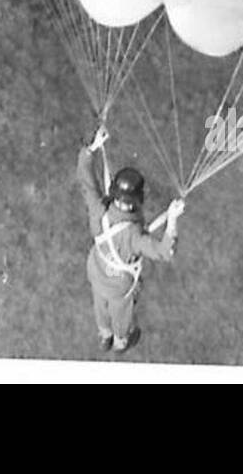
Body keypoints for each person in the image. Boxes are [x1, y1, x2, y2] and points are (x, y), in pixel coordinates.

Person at [77, 126, 184, 354]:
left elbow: (86, 181)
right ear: (138, 200)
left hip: (96, 270)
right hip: (118, 285)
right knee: (121, 312)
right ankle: (120, 340)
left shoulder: (99, 209)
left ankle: (103, 334)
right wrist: (172, 219)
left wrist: (92, 149)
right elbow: (165, 252)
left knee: (99, 303)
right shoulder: (134, 236)